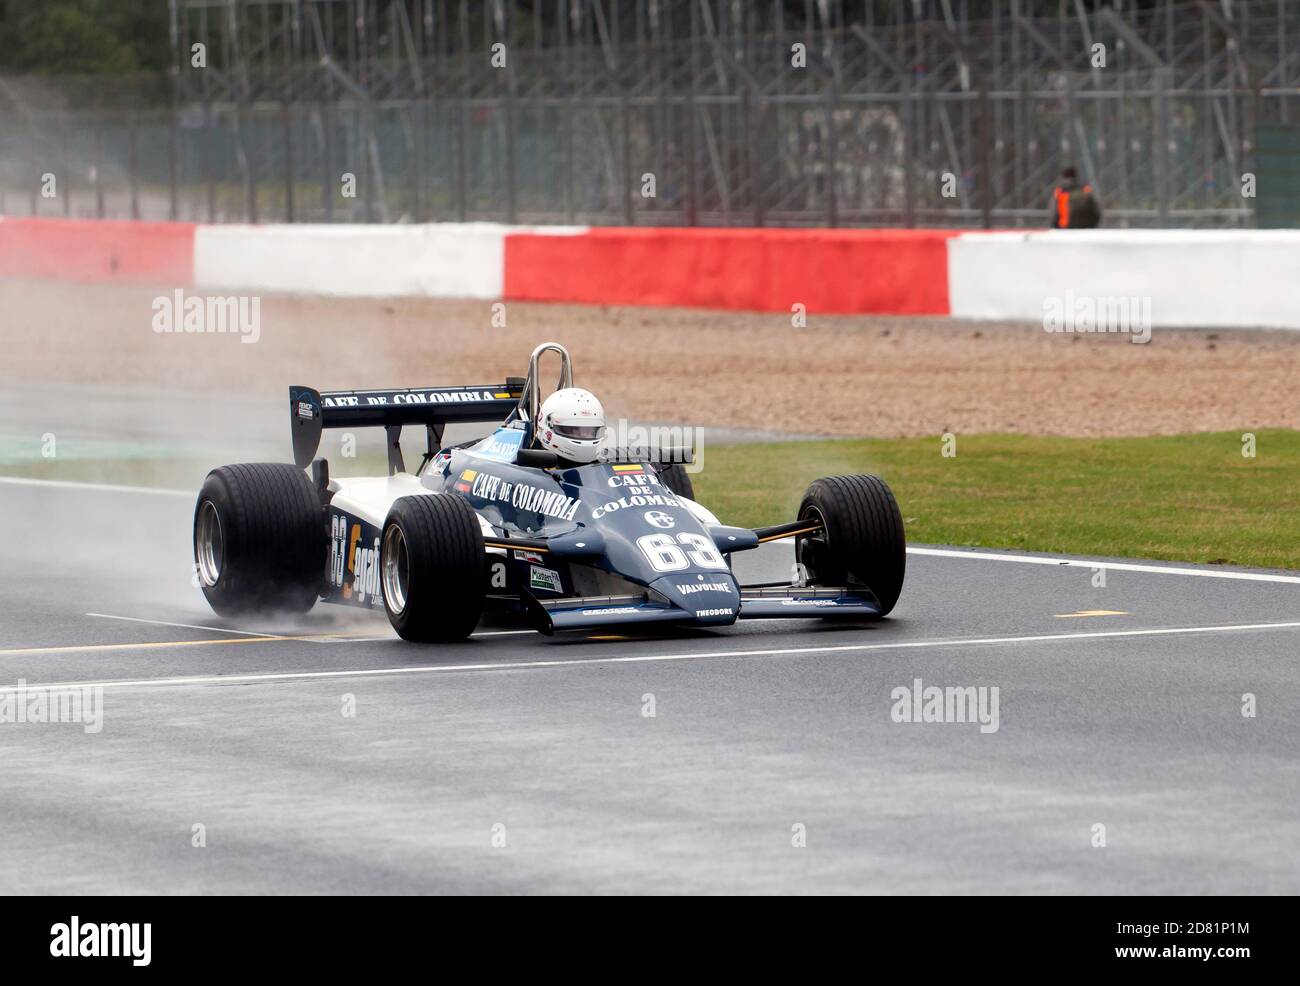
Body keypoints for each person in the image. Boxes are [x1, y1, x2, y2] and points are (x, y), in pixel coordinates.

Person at [535, 387, 606, 463]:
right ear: (548, 424)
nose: (584, 435)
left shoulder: (604, 464)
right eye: (575, 430)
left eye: (590, 431)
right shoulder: (531, 468)